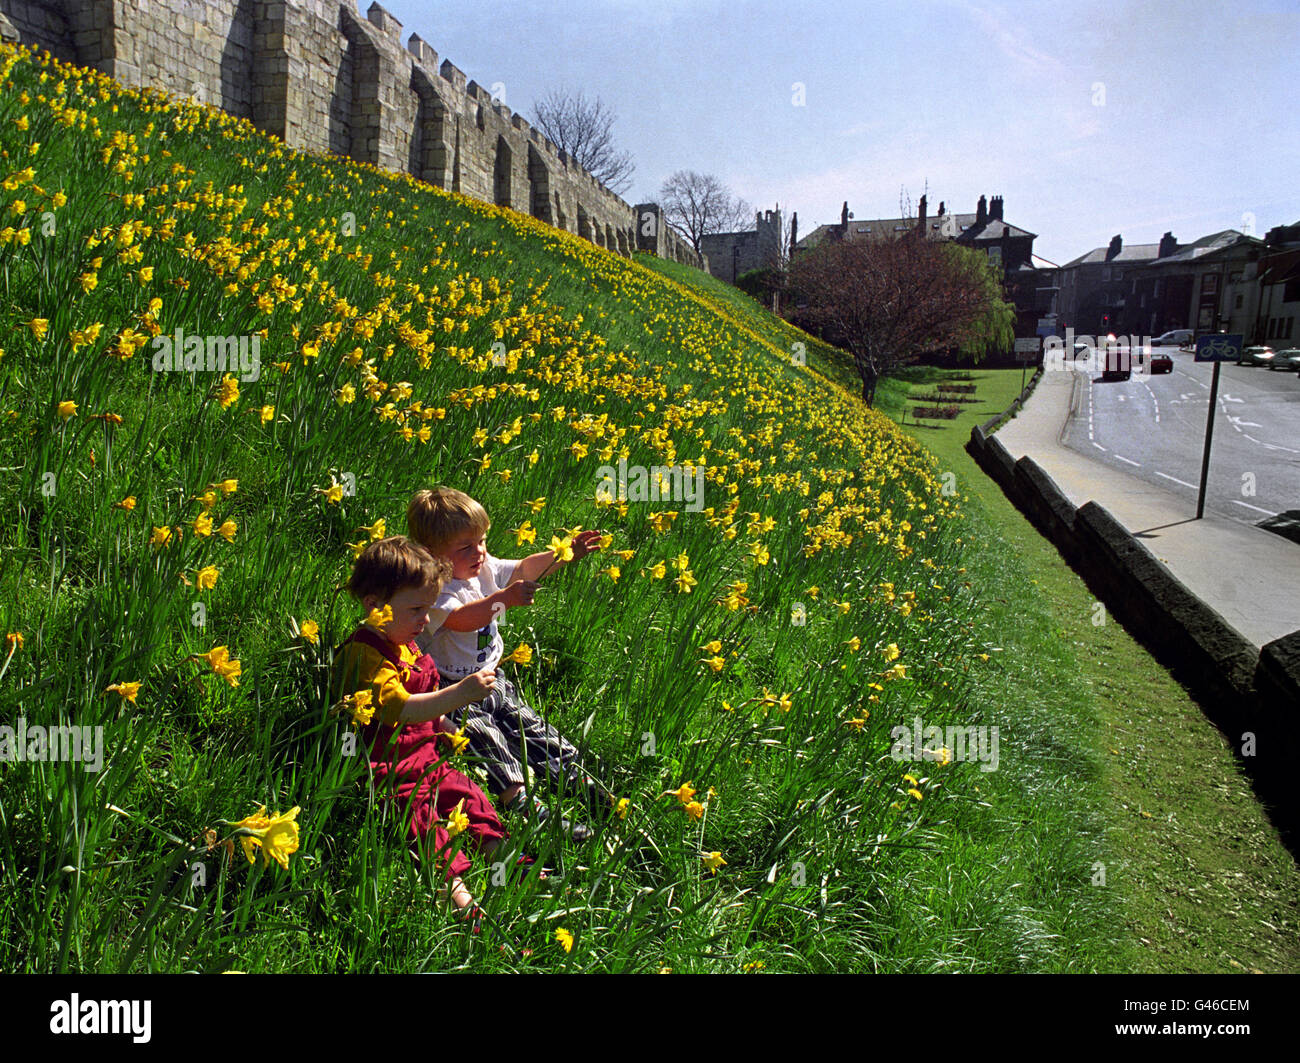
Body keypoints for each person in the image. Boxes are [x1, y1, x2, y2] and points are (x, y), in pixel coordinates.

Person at [332, 535, 531, 925]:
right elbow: (400, 709)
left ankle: (510, 861)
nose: (426, 620)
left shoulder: (405, 643)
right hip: (389, 770)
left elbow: (423, 707)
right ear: (374, 606)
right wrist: (459, 695)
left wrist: (444, 727)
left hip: (427, 757)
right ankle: (464, 908)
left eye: (428, 607)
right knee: (425, 826)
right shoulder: (365, 653)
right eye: (417, 609)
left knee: (470, 798)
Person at [406, 487, 613, 840]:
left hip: (493, 677)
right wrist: (503, 599)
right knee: (487, 739)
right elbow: (461, 619)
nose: (480, 552)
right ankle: (526, 806)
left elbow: (523, 569)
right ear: (432, 554)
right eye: (465, 547)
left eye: (482, 540)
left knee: (526, 723)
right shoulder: (433, 589)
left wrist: (561, 555)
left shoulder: (482, 568)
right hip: (453, 690)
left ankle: (576, 776)